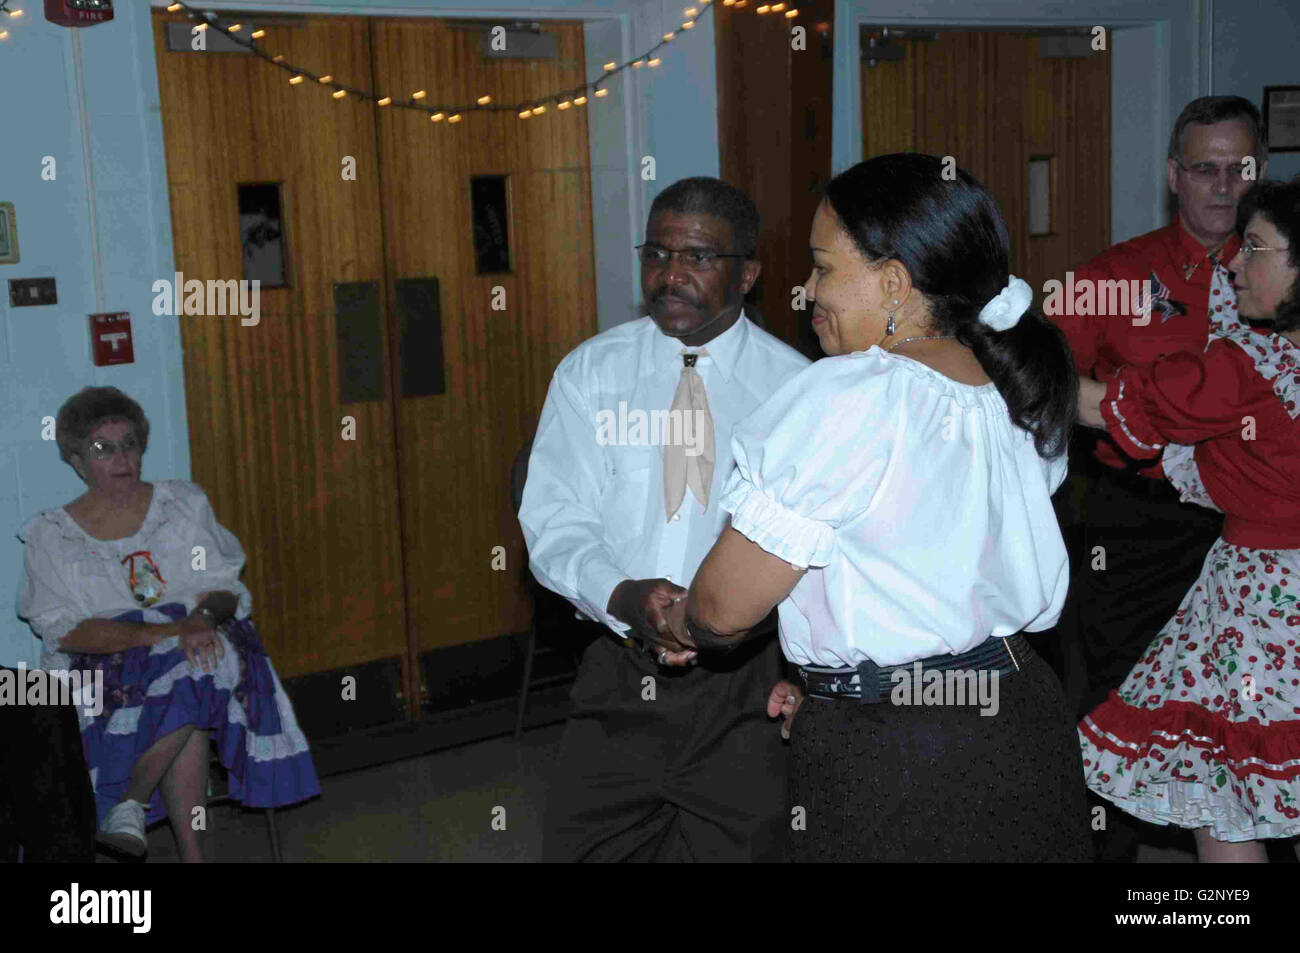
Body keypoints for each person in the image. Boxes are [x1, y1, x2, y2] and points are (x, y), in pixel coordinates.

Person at [663, 153, 1091, 862]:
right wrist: (835, 684)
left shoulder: (848, 394)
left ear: (894, 281)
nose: (805, 291)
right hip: (1020, 719)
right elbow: (932, 579)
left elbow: (723, 606)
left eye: (823, 268)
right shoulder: (1015, 380)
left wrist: (677, 621)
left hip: (903, 757)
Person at [519, 177, 810, 861]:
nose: (670, 274)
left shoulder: (796, 389)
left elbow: (823, 553)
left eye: (699, 258)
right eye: (657, 253)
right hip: (619, 674)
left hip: (749, 688)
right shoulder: (592, 372)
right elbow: (555, 518)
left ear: (748, 273)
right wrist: (625, 597)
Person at [1051, 94, 1266, 860]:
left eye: (1238, 168)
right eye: (1203, 169)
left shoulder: (1284, 278)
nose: (1222, 187)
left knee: (1256, 717)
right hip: (1141, 525)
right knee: (1122, 706)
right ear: (1175, 175)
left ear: (1260, 171)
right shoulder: (1114, 275)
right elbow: (1037, 378)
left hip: (1266, 534)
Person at [1075, 177, 1300, 862]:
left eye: (1255, 248)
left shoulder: (1251, 365)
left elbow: (1103, 407)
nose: (1233, 262)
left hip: (1261, 604)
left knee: (1220, 791)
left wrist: (1002, 360)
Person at [17, 386, 320, 861]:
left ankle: (130, 805)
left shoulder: (181, 504)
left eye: (130, 444)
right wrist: (160, 635)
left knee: (201, 662)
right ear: (76, 461)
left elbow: (224, 587)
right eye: (103, 448)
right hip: (107, 660)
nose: (121, 458)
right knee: (192, 679)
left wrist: (198, 619)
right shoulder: (51, 536)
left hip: (198, 637)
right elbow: (66, 631)